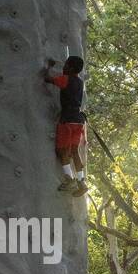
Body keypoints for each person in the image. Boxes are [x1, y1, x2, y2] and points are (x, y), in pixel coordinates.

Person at [43, 55, 88, 196]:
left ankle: (69, 179)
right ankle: (81, 182)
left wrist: (48, 67)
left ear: (71, 68)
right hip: (79, 120)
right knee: (74, 150)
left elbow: (47, 79)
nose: (64, 67)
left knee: (62, 151)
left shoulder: (65, 79)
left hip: (67, 120)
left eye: (66, 65)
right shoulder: (80, 82)